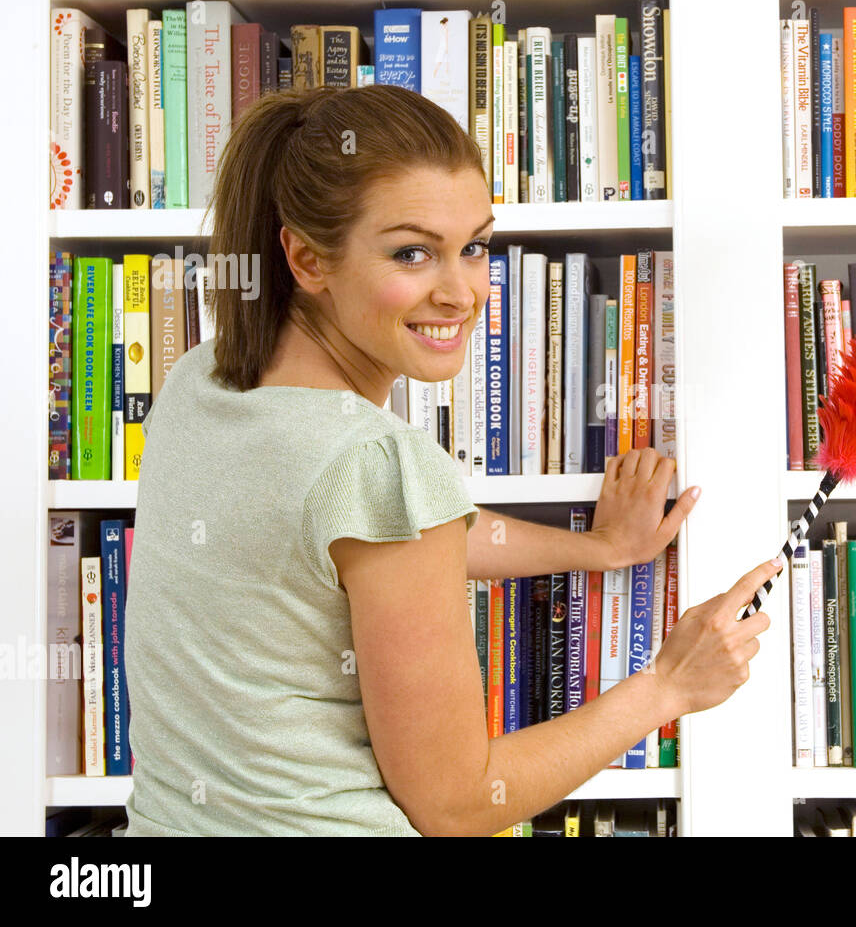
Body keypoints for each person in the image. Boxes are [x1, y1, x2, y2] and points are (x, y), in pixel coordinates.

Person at [123, 84, 778, 836]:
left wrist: (598, 549)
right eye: (412, 253)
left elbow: (387, 542)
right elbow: (459, 800)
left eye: (473, 247)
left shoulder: (198, 382)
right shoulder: (376, 461)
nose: (461, 292)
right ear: (306, 257)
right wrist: (668, 684)